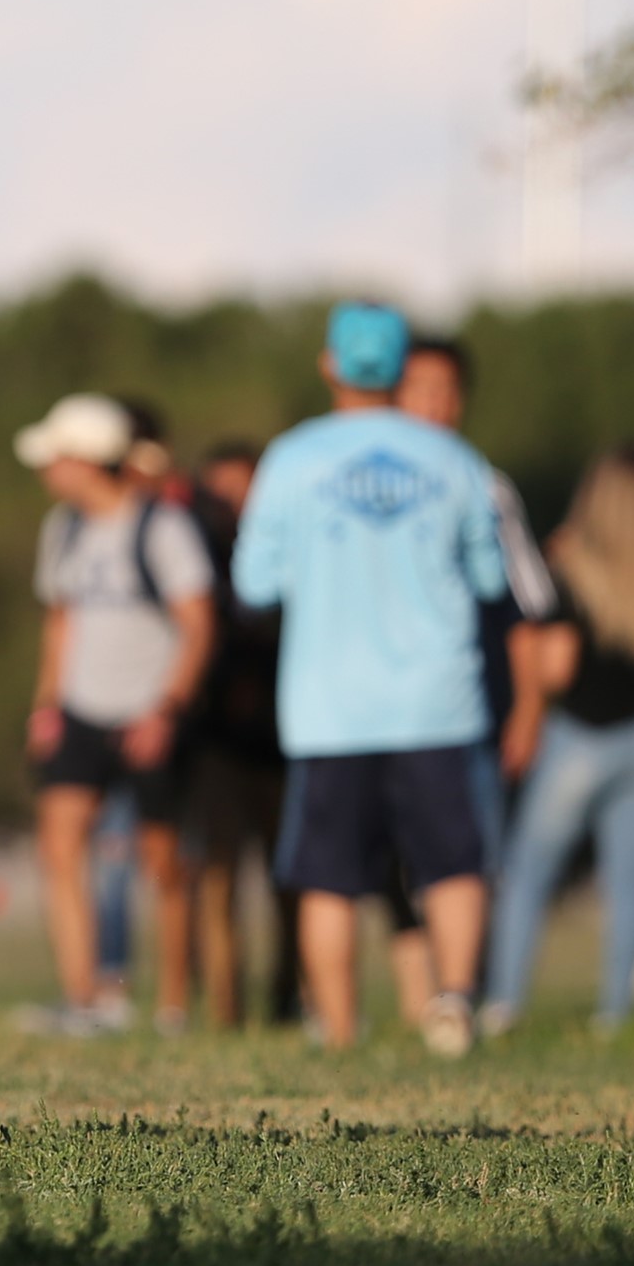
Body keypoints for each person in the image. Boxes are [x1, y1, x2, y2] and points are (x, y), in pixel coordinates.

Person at [232, 301, 506, 1056]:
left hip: (329, 706)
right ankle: (453, 1003)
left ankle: (342, 1028)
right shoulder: (455, 459)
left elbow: (253, 584)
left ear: (330, 365)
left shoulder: (292, 459)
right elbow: (489, 577)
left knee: (328, 878)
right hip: (438, 703)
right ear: (401, 371)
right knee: (452, 862)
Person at [18, 393, 214, 1036]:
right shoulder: (62, 528)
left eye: (56, 459)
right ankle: (88, 998)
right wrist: (47, 704)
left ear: (85, 460)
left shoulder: (161, 527)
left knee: (163, 864)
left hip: (147, 714)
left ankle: (174, 1005)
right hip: (81, 712)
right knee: (60, 848)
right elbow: (61, 621)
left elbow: (197, 623)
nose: (47, 473)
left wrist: (167, 710)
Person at [482, 448, 634, 1035]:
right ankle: (614, 1013)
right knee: (629, 884)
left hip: (583, 738)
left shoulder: (574, 566)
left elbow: (557, 670)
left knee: (528, 874)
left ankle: (504, 1003)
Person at [393, 334, 558, 1021]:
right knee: (393, 869)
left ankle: (463, 999)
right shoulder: (352, 482)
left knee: (467, 855)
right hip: (378, 710)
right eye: (420, 387)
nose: (435, 403)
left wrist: (528, 710)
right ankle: (413, 1006)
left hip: (469, 709)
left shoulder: (484, 485)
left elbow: (523, 607)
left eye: (447, 389)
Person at [186, 439, 298, 1027]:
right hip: (219, 742)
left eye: (242, 488)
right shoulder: (195, 550)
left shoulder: (292, 551)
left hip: (284, 737)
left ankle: (289, 994)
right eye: (219, 490)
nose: (231, 502)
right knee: (218, 877)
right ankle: (224, 1008)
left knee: (291, 879)